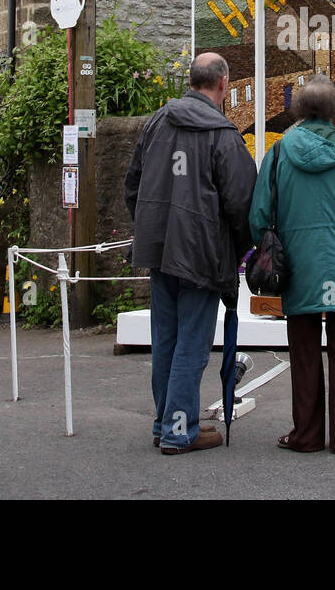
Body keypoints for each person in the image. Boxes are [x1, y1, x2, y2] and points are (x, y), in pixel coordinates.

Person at [248, 76, 335, 454]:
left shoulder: (278, 154)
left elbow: (260, 215)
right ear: (334, 111)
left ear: (298, 110)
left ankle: (307, 434)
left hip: (297, 264)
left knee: (304, 350)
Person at [125, 51, 256, 455]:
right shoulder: (223, 133)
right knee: (192, 343)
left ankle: (164, 421)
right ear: (222, 85)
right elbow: (242, 203)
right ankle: (180, 429)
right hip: (201, 252)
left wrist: (152, 225)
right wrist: (240, 250)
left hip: (159, 247)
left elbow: (133, 185)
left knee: (165, 336)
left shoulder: (156, 122)